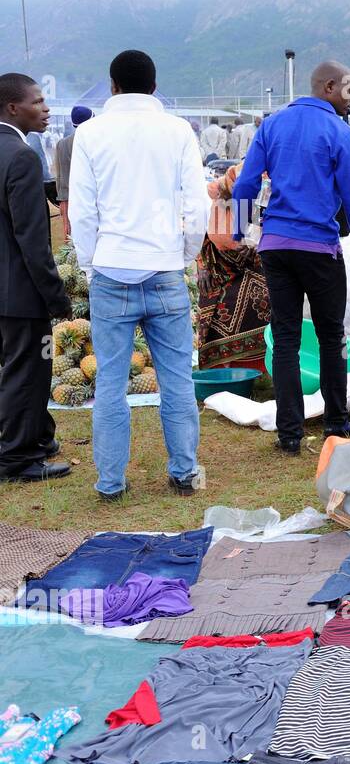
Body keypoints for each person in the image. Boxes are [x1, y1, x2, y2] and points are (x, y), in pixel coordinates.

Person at [69, 50, 210, 501]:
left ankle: (111, 482)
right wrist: (183, 255)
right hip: (165, 268)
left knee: (110, 380)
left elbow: (83, 211)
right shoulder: (177, 131)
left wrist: (91, 265)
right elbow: (198, 206)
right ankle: (184, 473)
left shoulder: (89, 133)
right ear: (154, 86)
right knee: (177, 378)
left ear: (112, 86)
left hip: (111, 270)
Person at [231, 60, 350, 455]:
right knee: (332, 337)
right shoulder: (340, 133)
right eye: (349, 90)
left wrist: (239, 229)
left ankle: (290, 434)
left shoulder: (273, 124)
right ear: (329, 87)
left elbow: (246, 182)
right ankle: (335, 424)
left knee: (285, 338)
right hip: (318, 248)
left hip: (276, 247)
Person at [0, 73, 73, 484]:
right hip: (19, 291)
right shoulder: (22, 155)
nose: (45, 109)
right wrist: (56, 297)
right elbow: (31, 238)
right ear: (14, 107)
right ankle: (18, 458)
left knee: (11, 369)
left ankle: (36, 438)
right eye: (38, 101)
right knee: (29, 373)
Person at [196, 164, 272, 371]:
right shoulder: (217, 195)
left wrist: (256, 246)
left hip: (257, 263)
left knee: (259, 298)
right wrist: (202, 265)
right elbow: (200, 232)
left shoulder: (266, 191)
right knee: (212, 300)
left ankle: (257, 367)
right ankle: (221, 366)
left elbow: (262, 229)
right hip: (218, 263)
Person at [54, 105, 92, 246]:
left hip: (66, 195)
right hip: (86, 196)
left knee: (70, 237)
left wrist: (60, 196)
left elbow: (58, 173)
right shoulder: (91, 141)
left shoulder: (62, 143)